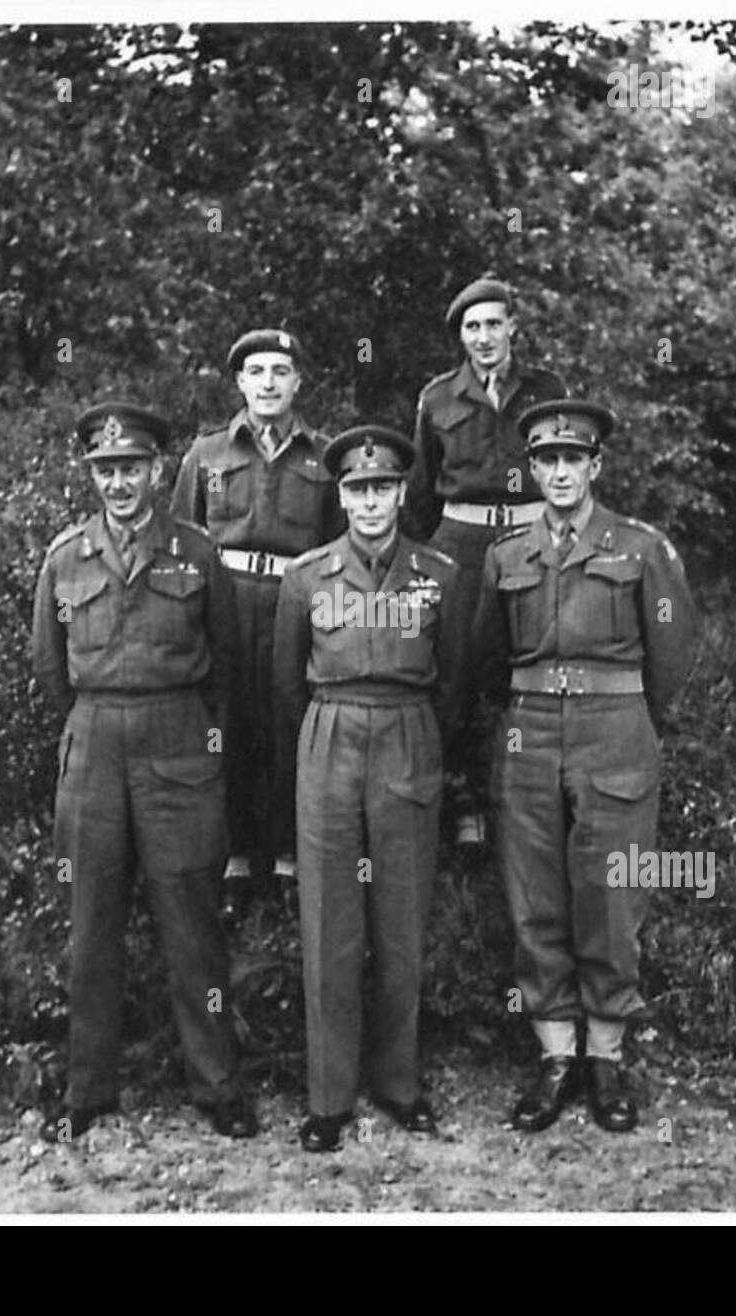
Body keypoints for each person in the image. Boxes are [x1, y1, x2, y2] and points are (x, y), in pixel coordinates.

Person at [32, 400, 256, 1142]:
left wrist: (202, 744)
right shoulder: (66, 557)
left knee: (192, 923)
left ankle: (217, 1084)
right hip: (95, 742)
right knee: (92, 927)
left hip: (178, 740)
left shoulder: (196, 552)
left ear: (157, 472)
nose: (120, 483)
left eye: (131, 468)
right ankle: (89, 1091)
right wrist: (99, 718)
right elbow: (50, 671)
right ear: (92, 476)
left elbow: (226, 665)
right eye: (106, 471)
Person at [470, 398, 696, 1133]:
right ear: (531, 469)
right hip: (529, 733)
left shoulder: (640, 548)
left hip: (615, 733)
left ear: (595, 466)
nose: (560, 472)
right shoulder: (507, 554)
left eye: (573, 459)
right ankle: (555, 1056)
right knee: (535, 897)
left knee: (610, 899)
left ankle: (605, 1057)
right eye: (546, 460)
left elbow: (672, 658)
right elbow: (483, 655)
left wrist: (631, 725)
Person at [273, 426, 462, 1152]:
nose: (371, 500)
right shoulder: (307, 576)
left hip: (409, 735)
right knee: (329, 923)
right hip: (329, 739)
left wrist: (416, 732)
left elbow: (457, 675)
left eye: (383, 487)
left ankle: (400, 1084)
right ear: (341, 496)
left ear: (403, 491)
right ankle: (328, 1096)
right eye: (358, 489)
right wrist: (326, 735)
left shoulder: (437, 574)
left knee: (402, 919)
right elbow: (285, 684)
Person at [171, 329, 341, 901]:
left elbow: (342, 546)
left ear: (297, 382)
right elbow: (183, 538)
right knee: (229, 716)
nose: (268, 383)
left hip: (297, 594)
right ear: (240, 382)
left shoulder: (324, 455)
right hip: (229, 592)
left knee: (292, 714)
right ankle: (235, 853)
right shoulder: (207, 455)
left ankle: (290, 853)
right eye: (257, 372)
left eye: (280, 372)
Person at [407, 275, 568, 850]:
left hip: (528, 541)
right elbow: (422, 493)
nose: (483, 337)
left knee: (525, 664)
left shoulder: (546, 389)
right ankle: (459, 801)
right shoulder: (438, 398)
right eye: (472, 328)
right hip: (461, 546)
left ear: (512, 328)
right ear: (461, 337)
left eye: (493, 324)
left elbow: (563, 469)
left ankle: (524, 798)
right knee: (454, 674)